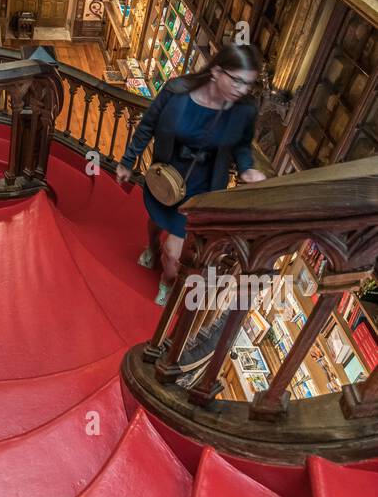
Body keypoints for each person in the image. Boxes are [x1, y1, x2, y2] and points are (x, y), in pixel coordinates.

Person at [115, 44, 268, 305]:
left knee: (174, 252)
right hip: (167, 173)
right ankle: (151, 247)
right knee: (156, 218)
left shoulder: (244, 110)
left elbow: (242, 144)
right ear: (216, 71)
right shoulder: (178, 91)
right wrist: (128, 161)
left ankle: (167, 278)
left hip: (202, 183)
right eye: (237, 80)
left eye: (248, 84)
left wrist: (247, 168)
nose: (242, 89)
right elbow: (148, 124)